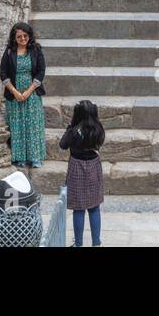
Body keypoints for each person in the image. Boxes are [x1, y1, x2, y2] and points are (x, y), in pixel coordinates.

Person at [0, 22, 46, 175]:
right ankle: (19, 158)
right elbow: (3, 73)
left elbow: (41, 71)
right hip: (14, 94)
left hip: (31, 92)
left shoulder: (36, 50)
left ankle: (35, 157)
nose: (22, 38)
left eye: (25, 36)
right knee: (17, 125)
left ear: (29, 36)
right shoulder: (9, 52)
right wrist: (14, 92)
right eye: (19, 36)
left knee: (33, 125)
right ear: (14, 37)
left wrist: (28, 92)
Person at [59, 99, 105, 247]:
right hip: (94, 166)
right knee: (94, 207)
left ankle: (78, 244)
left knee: (78, 208)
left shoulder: (74, 131)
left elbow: (63, 145)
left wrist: (69, 127)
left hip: (76, 167)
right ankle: (96, 243)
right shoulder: (98, 129)